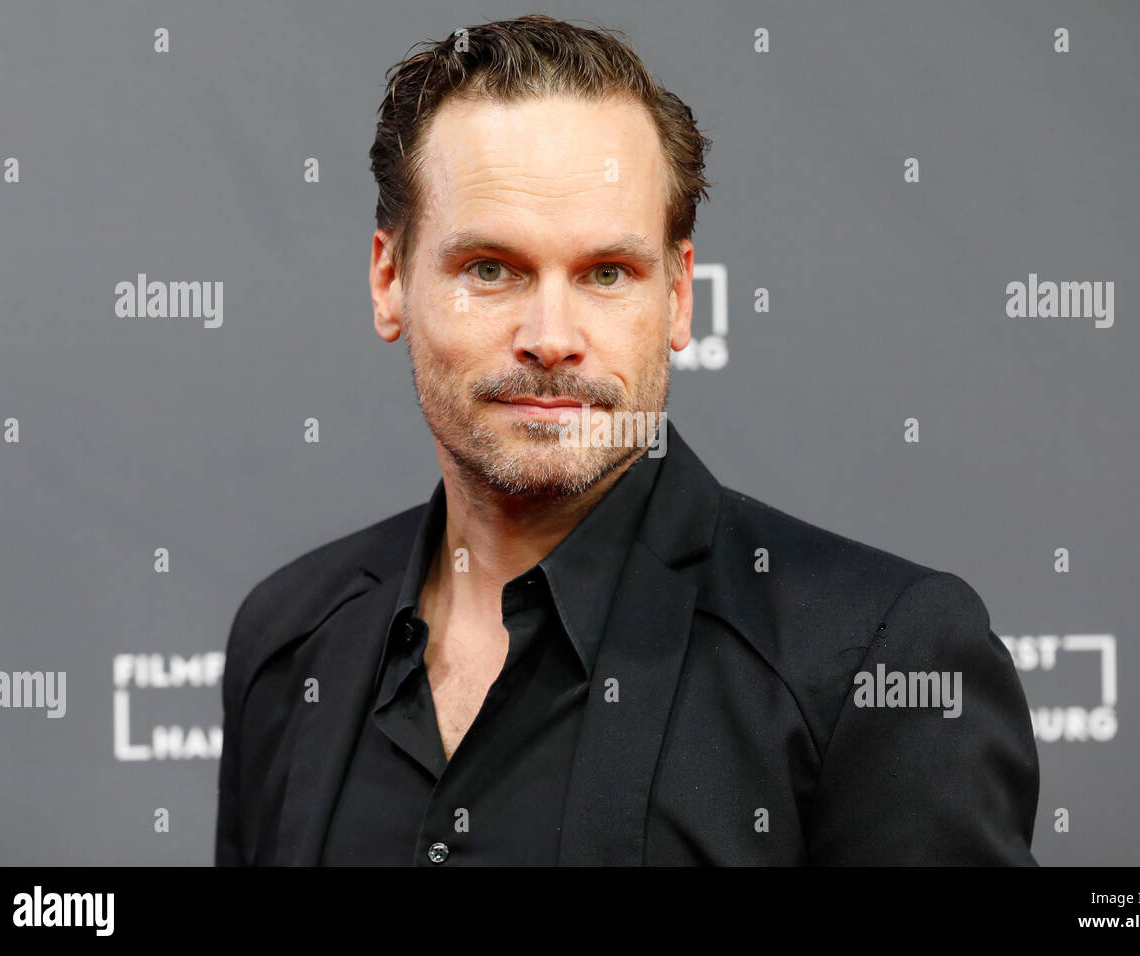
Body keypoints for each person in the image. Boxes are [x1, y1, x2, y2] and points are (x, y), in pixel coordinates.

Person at [215, 13, 1039, 866]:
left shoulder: (875, 658)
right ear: (390, 281)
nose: (550, 335)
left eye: (607, 274)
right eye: (490, 269)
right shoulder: (289, 637)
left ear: (679, 297)